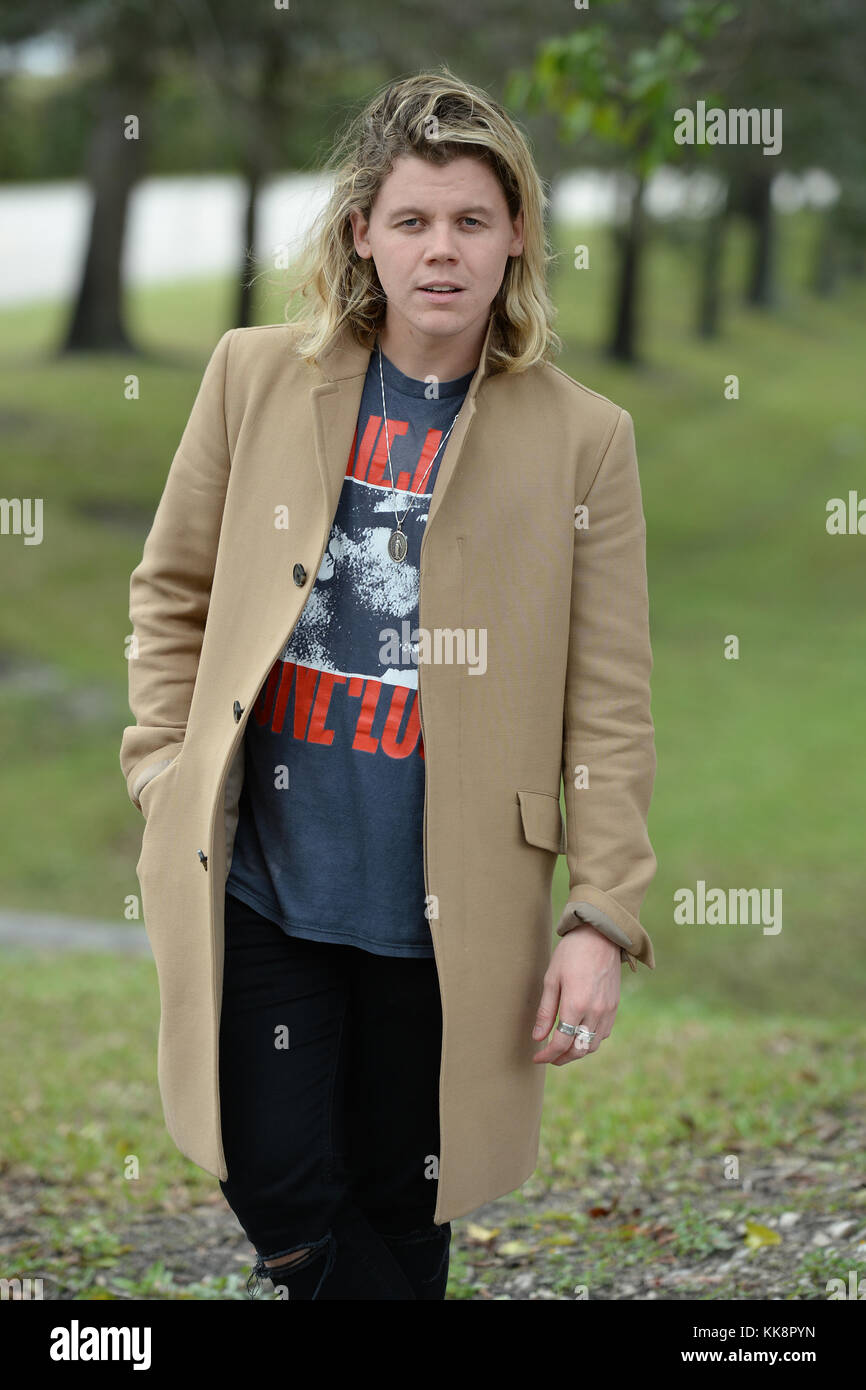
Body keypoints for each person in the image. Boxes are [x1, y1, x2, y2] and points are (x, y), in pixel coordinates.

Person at [120, 65, 657, 1302]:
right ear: (361, 233)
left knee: (403, 1201)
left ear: (515, 233)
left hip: (449, 904)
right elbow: (171, 590)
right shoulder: (253, 375)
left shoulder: (585, 438)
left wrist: (601, 912)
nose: (441, 251)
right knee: (280, 1181)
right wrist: (162, 765)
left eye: (472, 220)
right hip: (262, 879)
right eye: (410, 220)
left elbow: (611, 697)